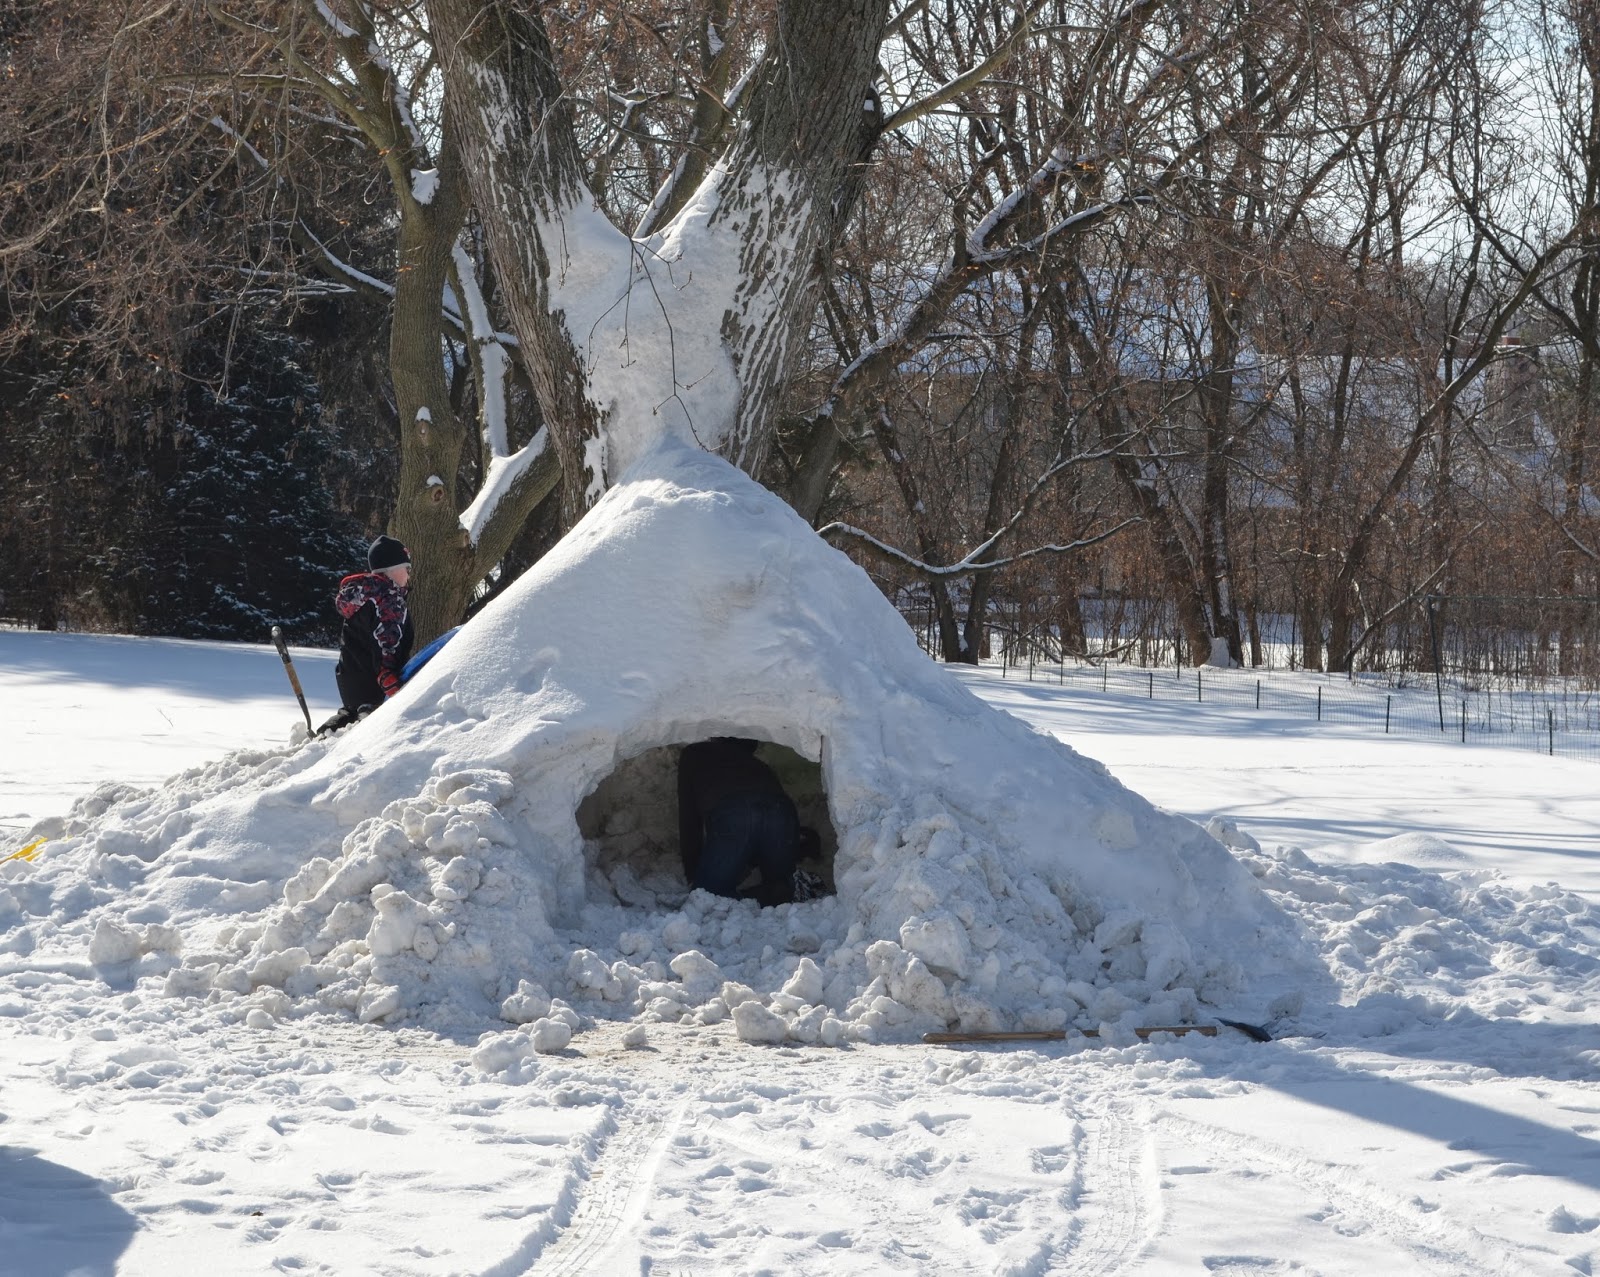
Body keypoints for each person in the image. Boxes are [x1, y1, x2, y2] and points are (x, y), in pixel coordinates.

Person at [677, 737, 804, 906]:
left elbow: (689, 818)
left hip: (736, 813)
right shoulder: (759, 765)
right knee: (783, 888)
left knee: (706, 898)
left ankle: (741, 902)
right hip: (781, 810)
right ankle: (779, 893)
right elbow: (767, 825)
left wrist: (693, 872)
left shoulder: (693, 753)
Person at [326, 535, 415, 729]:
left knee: (350, 715)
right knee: (371, 725)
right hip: (376, 685)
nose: (408, 575)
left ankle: (327, 735)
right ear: (392, 571)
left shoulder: (361, 596)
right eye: (406, 568)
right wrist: (387, 675)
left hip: (350, 682)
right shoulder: (388, 598)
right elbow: (387, 639)